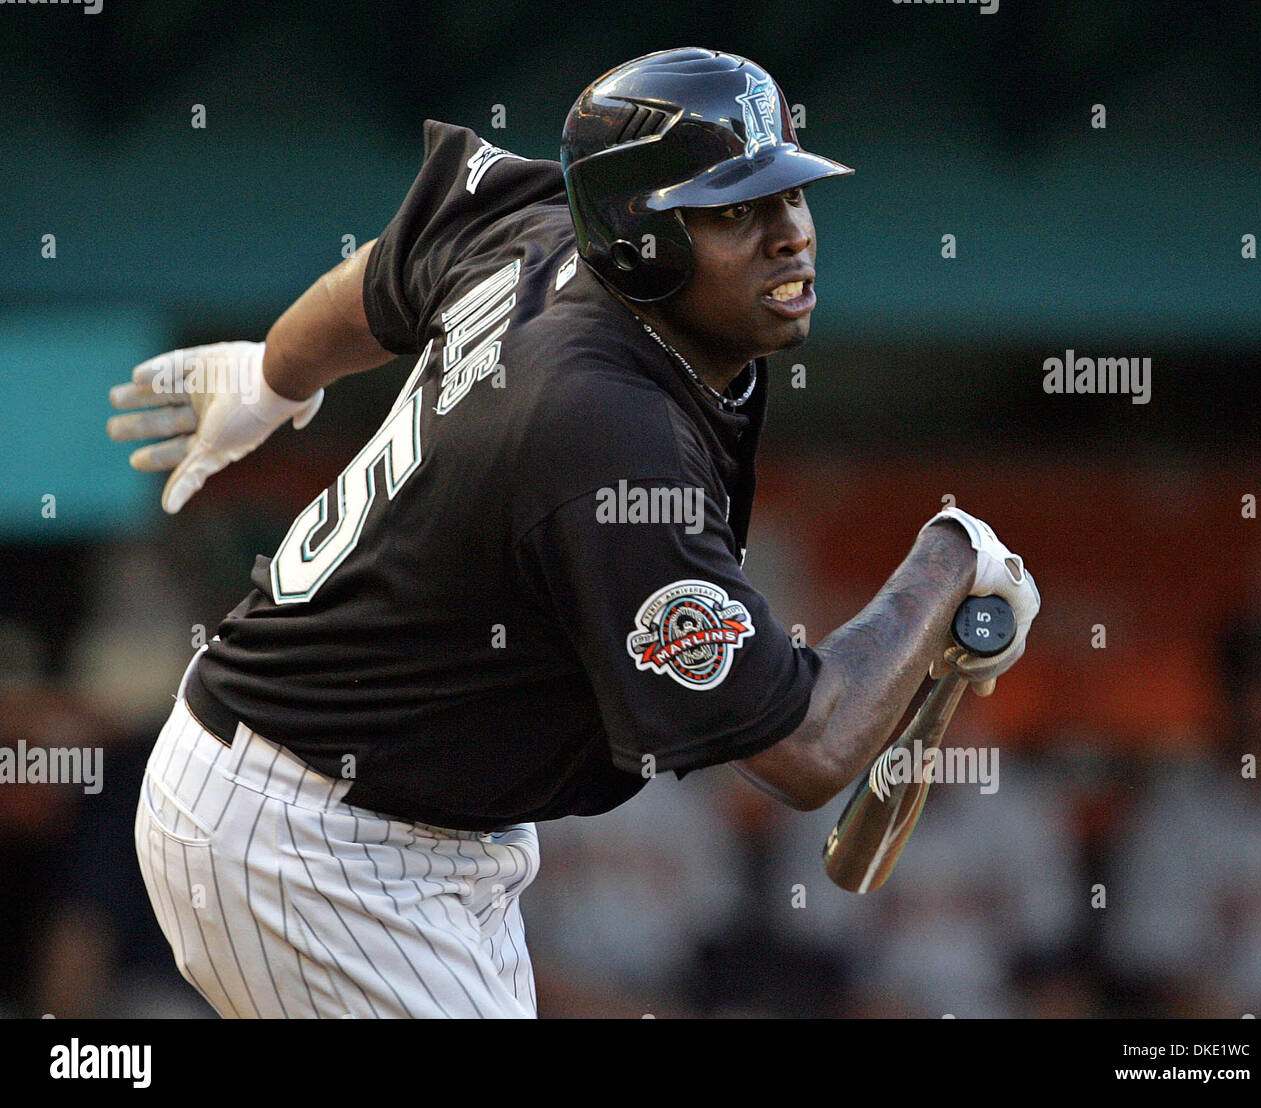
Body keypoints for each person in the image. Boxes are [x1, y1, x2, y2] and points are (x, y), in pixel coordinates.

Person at [106, 47, 1039, 1019]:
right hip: (309, 841)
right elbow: (805, 751)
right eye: (736, 211)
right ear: (641, 238)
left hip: (402, 823)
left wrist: (270, 380)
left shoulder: (537, 222)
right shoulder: (609, 434)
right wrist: (950, 561)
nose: (790, 237)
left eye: (792, 196)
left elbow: (385, 270)